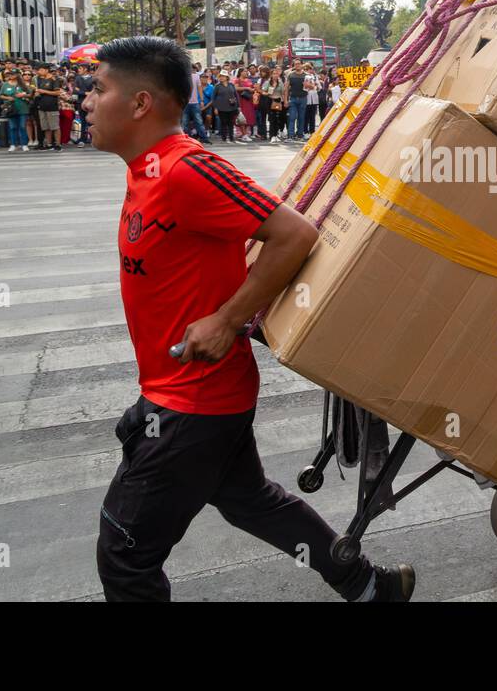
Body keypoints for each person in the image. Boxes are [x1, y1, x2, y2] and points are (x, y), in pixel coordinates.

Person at [81, 35, 414, 603]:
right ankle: (369, 589)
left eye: (99, 88)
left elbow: (294, 234)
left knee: (125, 557)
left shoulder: (189, 170)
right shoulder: (147, 169)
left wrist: (227, 319)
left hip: (193, 403)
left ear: (140, 104)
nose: (85, 101)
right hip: (187, 392)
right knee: (250, 501)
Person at [34, 64, 63, 152]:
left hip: (52, 106)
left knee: (55, 127)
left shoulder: (54, 79)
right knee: (45, 127)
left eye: (41, 70)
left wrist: (44, 91)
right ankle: (49, 144)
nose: (39, 72)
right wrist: (38, 93)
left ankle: (58, 144)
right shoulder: (41, 80)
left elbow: (58, 92)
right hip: (42, 106)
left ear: (46, 70)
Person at [0, 69, 29, 152]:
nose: (11, 75)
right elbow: (0, 95)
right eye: (10, 74)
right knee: (12, 127)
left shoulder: (23, 84)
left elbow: (30, 94)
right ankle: (13, 144)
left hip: (22, 108)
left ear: (17, 75)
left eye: (13, 74)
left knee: (22, 127)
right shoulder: (5, 84)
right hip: (10, 109)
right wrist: (8, 97)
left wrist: (24, 94)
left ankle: (24, 144)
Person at [183, 62, 211, 144]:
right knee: (185, 122)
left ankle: (203, 138)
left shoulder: (196, 76)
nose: (193, 70)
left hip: (194, 103)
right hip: (186, 103)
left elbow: (199, 89)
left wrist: (201, 100)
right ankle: (188, 138)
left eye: (194, 68)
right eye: (192, 68)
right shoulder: (183, 77)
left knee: (198, 121)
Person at [211, 71, 240, 143]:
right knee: (223, 123)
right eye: (220, 76)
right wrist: (215, 108)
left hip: (232, 107)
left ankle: (231, 137)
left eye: (223, 76)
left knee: (231, 123)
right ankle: (224, 137)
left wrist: (238, 106)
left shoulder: (231, 85)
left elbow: (236, 95)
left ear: (227, 77)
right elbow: (213, 98)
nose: (221, 77)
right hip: (221, 107)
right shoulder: (217, 86)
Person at [236, 67, 257, 143]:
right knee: (241, 117)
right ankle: (242, 134)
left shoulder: (249, 80)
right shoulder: (237, 80)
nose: (246, 73)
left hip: (248, 100)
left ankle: (246, 134)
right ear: (240, 72)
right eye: (244, 71)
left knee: (248, 116)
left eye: (246, 71)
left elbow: (252, 89)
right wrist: (247, 88)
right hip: (240, 101)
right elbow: (235, 88)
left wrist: (253, 89)